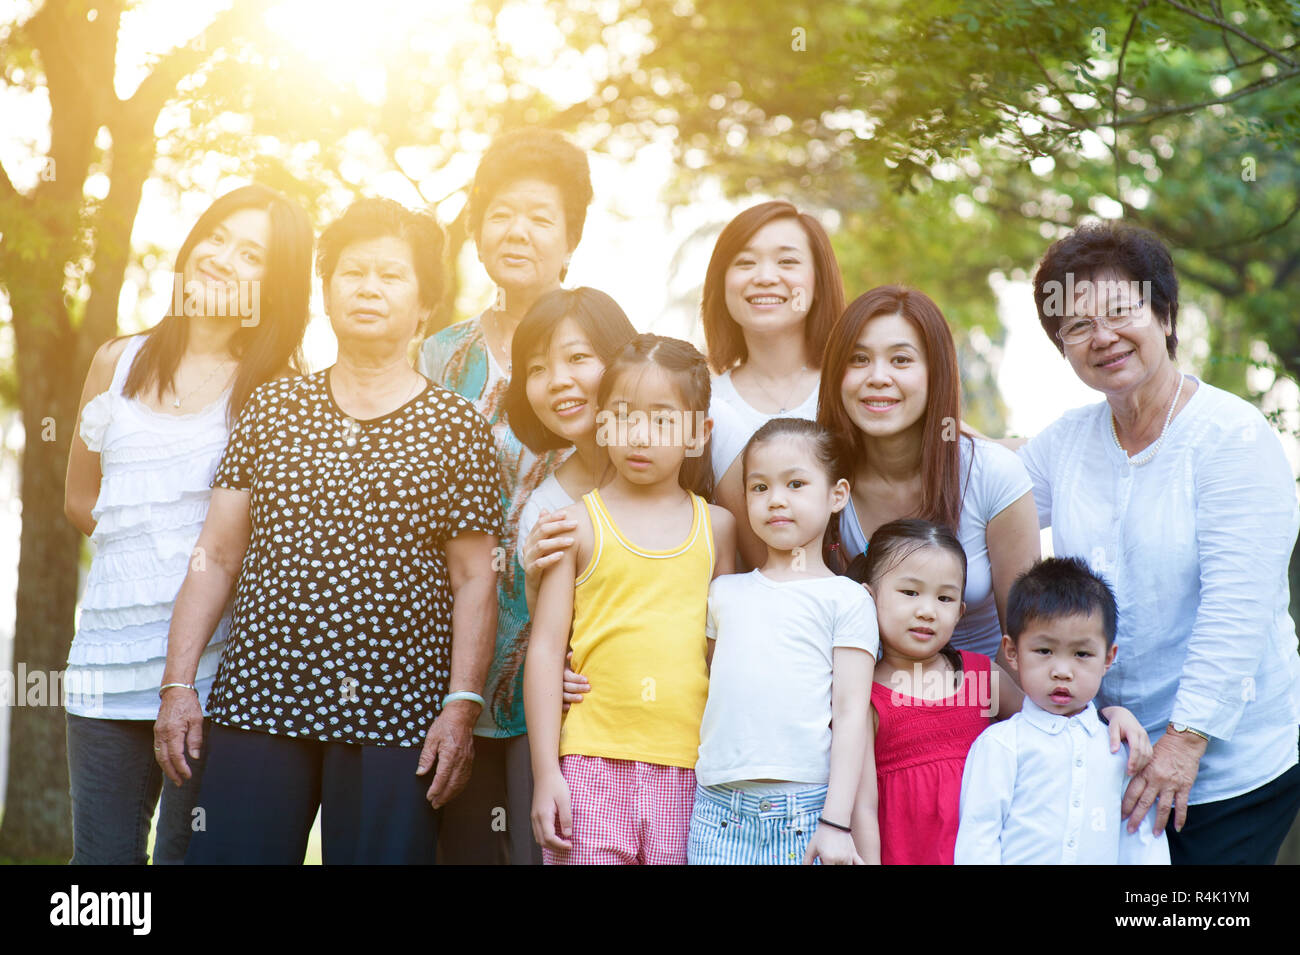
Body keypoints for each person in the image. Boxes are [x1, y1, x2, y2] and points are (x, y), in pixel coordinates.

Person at [155, 198, 501, 864]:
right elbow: (218, 553)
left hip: (399, 711)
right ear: (328, 288)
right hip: (260, 694)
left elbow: (474, 577)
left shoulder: (458, 427)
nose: (368, 287)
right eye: (352, 272)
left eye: (390, 275)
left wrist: (460, 705)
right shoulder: (275, 406)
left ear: (424, 303)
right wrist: (178, 684)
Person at [1015, 221, 1300, 864]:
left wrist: (1184, 742)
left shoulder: (1233, 437)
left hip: (1230, 766)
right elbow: (993, 508)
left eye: (1120, 311)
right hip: (1122, 759)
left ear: (1165, 313)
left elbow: (1238, 609)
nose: (1102, 337)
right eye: (1078, 326)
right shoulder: (1066, 441)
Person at [63, 183, 313, 864]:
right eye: (217, 236)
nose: (223, 258)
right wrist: (155, 566)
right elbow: (82, 499)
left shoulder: (277, 391)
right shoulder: (116, 361)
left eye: (252, 254)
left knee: (190, 857)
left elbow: (270, 541)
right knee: (101, 874)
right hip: (105, 665)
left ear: (276, 283)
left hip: (212, 674)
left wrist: (196, 587)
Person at [419, 127, 593, 864]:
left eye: (540, 217)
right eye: (500, 213)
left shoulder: (603, 352)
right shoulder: (435, 356)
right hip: (441, 662)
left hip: (564, 671)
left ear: (569, 240)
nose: (516, 231)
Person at [525, 334, 737, 864]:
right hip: (590, 764)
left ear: (699, 434)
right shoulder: (574, 527)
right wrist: (547, 773)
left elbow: (723, 653)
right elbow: (547, 650)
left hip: (691, 767)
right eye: (622, 415)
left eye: (662, 419)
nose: (639, 434)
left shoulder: (718, 529)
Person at [850, 520, 1150, 865]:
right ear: (868, 597)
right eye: (910, 593)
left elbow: (1050, 716)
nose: (927, 611)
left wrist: (1111, 715)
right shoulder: (863, 694)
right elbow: (863, 806)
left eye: (945, 597)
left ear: (960, 611)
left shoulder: (978, 679)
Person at [818, 285, 1041, 661]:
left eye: (901, 360)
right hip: (867, 704)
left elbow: (1030, 639)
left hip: (986, 703)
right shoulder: (818, 480)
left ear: (934, 372)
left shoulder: (994, 476)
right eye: (858, 359)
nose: (877, 377)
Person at [689, 418, 875, 865]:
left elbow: (851, 715)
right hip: (717, 812)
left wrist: (835, 822)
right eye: (759, 487)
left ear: (837, 495)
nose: (776, 500)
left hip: (805, 814)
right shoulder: (724, 592)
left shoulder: (846, 599)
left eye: (795, 484)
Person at [954, 557, 1169, 865]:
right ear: (1012, 651)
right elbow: (978, 839)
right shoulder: (1001, 745)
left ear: (1108, 658)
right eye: (1044, 651)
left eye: (1082, 654)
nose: (1062, 671)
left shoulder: (1119, 748)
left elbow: (1140, 839)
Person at [701, 200, 845, 570]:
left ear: (818, 282)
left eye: (787, 261)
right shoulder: (703, 404)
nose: (764, 277)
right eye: (745, 262)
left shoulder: (852, 390)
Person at [504, 286, 637, 612]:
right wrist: (534, 584)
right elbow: (558, 640)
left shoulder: (691, 451)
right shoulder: (546, 515)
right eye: (537, 368)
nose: (557, 380)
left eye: (577, 357)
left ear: (622, 358)